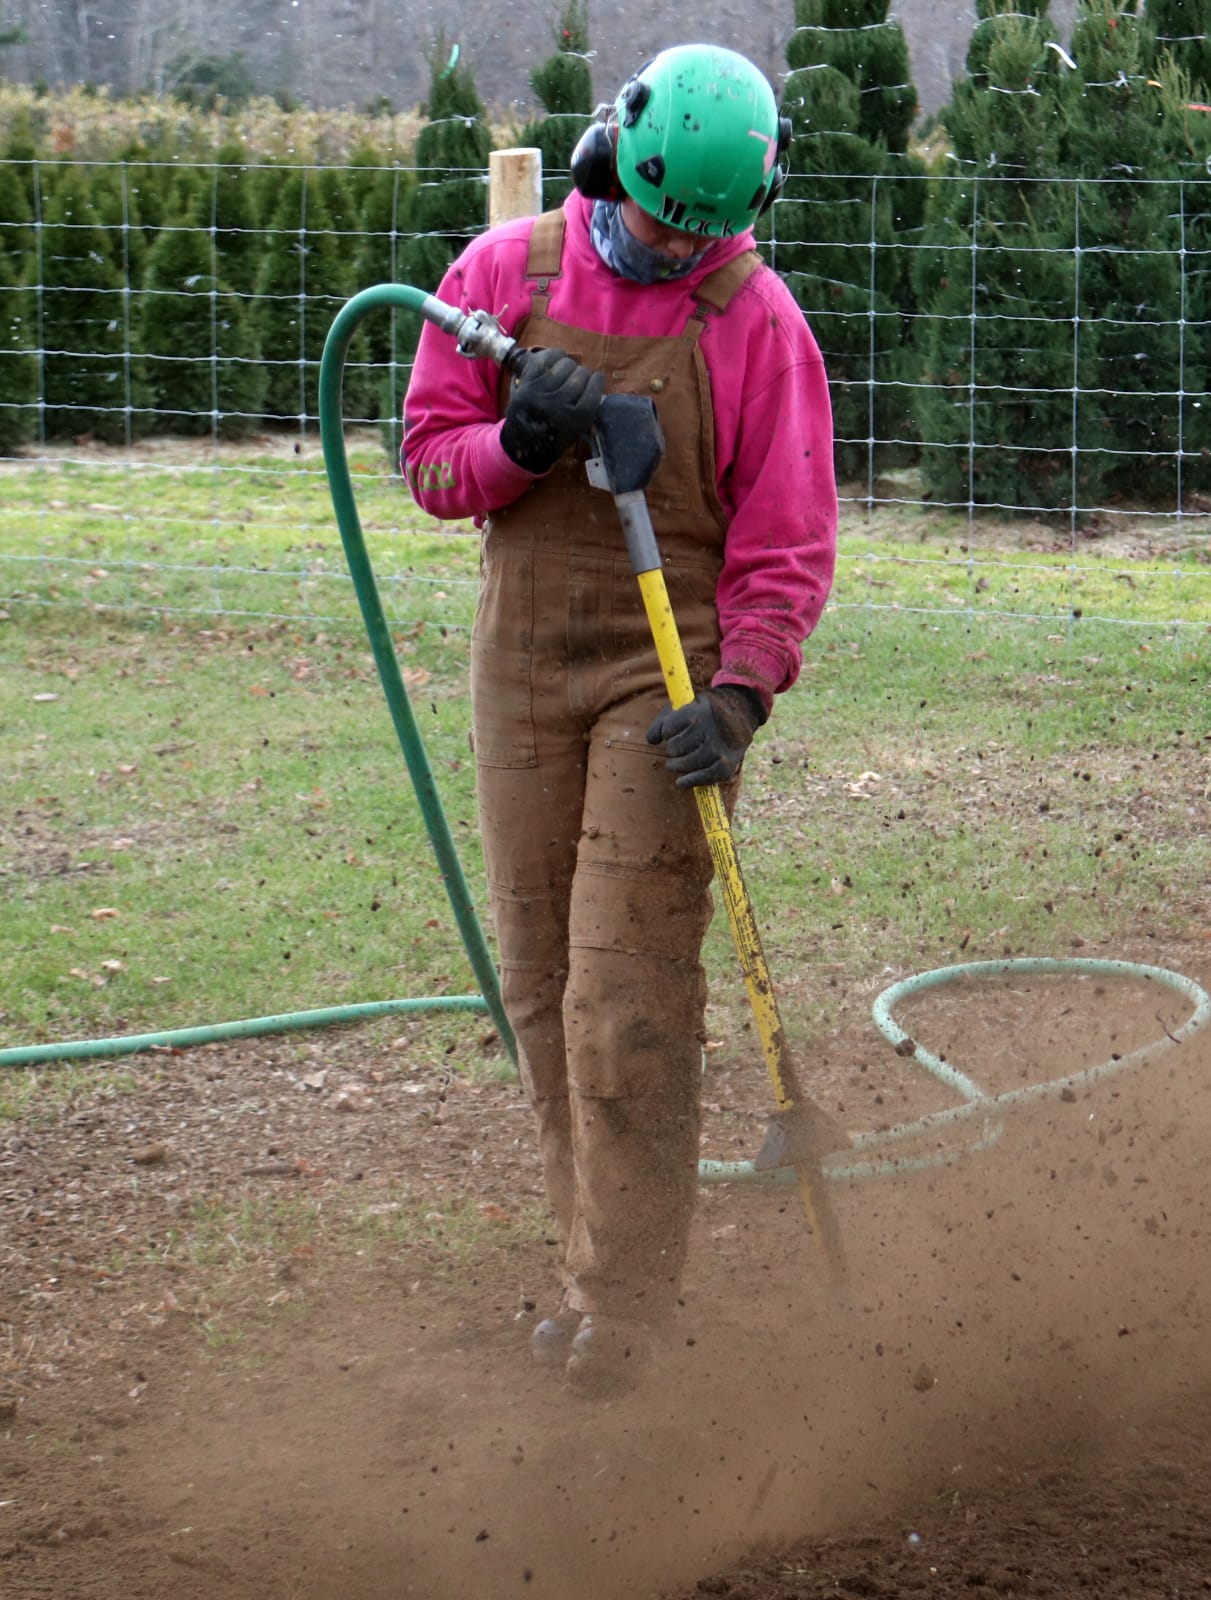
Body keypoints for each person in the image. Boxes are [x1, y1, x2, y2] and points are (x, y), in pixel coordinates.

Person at [401, 43, 837, 1395]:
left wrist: (745, 693)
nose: (677, 250)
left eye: (708, 232)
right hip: (523, 661)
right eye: (658, 221)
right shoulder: (503, 277)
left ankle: (632, 1309)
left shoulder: (756, 320)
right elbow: (429, 461)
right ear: (613, 163)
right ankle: (593, 1270)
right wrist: (519, 447)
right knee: (537, 983)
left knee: (627, 991)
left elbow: (787, 544)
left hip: (670, 668)